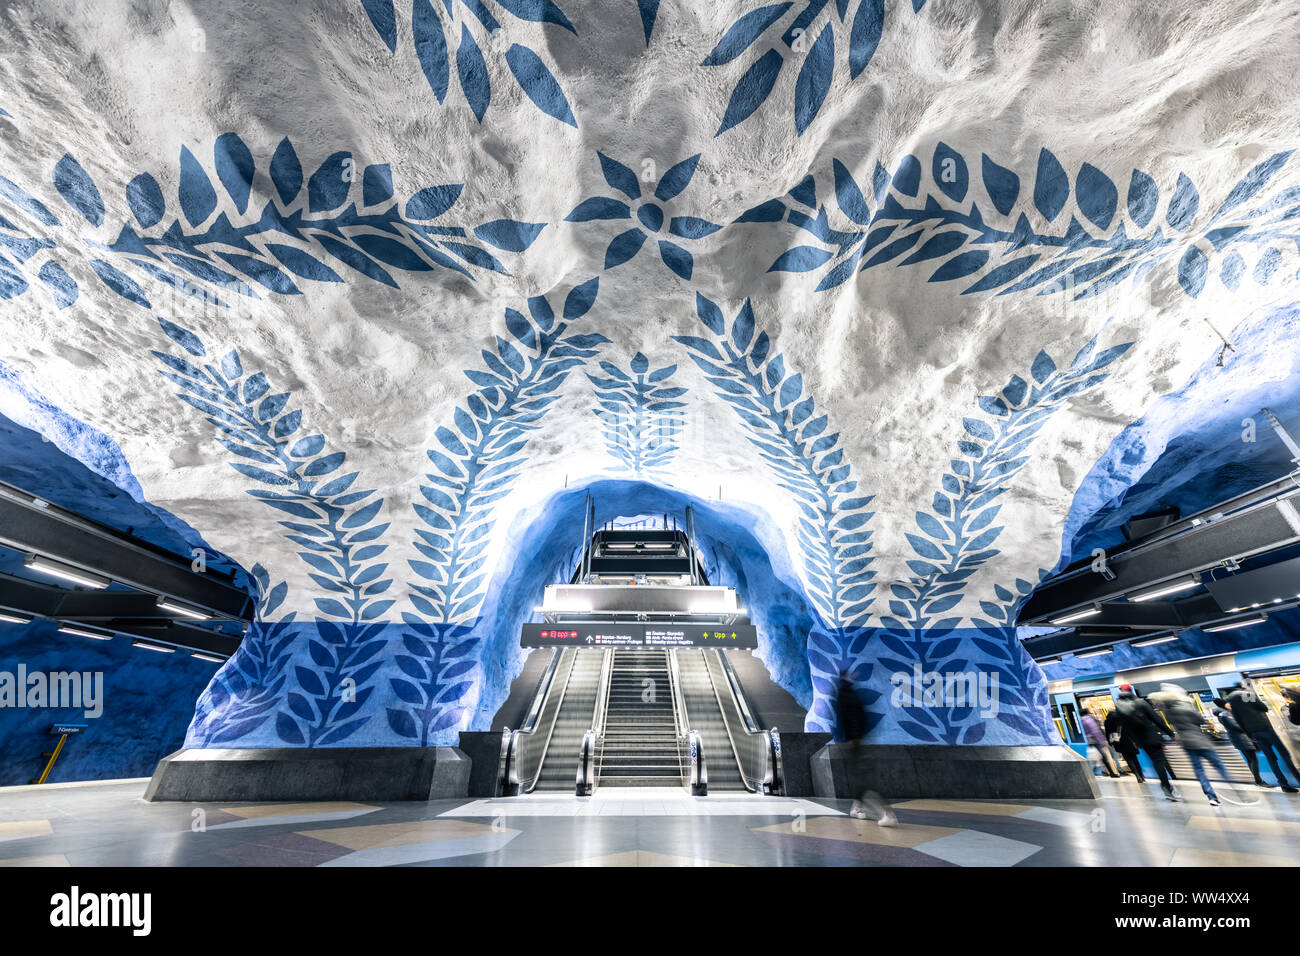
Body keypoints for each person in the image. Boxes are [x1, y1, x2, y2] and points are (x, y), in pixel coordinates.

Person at [835, 673, 897, 826]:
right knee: (862, 777)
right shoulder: (850, 694)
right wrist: (857, 736)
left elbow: (841, 719)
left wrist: (843, 739)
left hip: (852, 741)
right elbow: (858, 718)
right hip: (856, 740)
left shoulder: (844, 695)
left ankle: (873, 810)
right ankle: (878, 811)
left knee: (862, 778)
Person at [1158, 685, 1231, 806]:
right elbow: (1199, 719)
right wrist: (1209, 724)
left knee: (1199, 770)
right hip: (1200, 741)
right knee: (1218, 765)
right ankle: (1236, 792)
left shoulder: (1167, 711)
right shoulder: (1184, 706)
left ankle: (1211, 796)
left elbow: (1173, 725)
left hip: (1186, 743)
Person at [1225, 683, 1300, 792]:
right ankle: (1298, 779)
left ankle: (1284, 784)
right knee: (1285, 755)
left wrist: (1249, 735)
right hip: (1265, 728)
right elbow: (1263, 708)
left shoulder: (1231, 699)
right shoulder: (1247, 694)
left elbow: (1238, 719)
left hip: (1254, 733)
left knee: (1271, 759)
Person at [1115, 684, 1179, 800]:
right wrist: (1170, 733)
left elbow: (1125, 726)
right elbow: (1156, 719)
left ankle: (1166, 786)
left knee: (1155, 762)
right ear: (1131, 691)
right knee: (1159, 762)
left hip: (1140, 740)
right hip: (1152, 736)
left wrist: (1134, 741)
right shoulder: (1140, 702)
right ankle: (1167, 787)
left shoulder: (1119, 707)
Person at [1212, 698, 1268, 788]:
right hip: (1241, 738)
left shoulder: (1226, 713)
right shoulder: (1225, 714)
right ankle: (1258, 781)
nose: (1229, 705)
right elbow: (1235, 726)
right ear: (1223, 705)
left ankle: (1258, 780)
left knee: (1250, 759)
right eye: (1227, 704)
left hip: (1240, 738)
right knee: (1253, 759)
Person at [1105, 706, 1143, 779]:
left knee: (1128, 759)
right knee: (1135, 758)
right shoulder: (1121, 717)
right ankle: (1141, 775)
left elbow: (1107, 733)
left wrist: (1111, 743)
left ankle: (1137, 776)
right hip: (1128, 740)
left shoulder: (1107, 720)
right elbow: (1130, 729)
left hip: (1118, 742)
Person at [1082, 708, 1120, 777]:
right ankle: (1109, 772)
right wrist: (1103, 740)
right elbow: (1095, 731)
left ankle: (1103, 772)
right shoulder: (1089, 719)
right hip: (1096, 740)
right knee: (1104, 756)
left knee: (1097, 757)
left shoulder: (1081, 720)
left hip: (1090, 741)